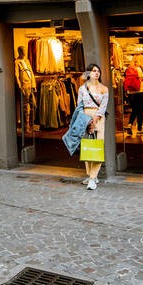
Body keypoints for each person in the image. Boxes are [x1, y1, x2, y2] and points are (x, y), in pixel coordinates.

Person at [63, 63, 109, 191]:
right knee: (87, 147)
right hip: (85, 117)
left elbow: (103, 106)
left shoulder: (104, 89)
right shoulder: (82, 89)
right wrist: (87, 120)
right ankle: (90, 175)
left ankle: (93, 178)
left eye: (98, 71)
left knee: (98, 146)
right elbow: (79, 105)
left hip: (98, 118)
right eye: (94, 71)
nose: (96, 73)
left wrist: (95, 119)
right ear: (88, 73)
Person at [123, 56, 143, 135]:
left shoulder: (127, 69)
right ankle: (139, 130)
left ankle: (129, 125)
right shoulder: (141, 69)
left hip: (131, 93)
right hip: (141, 92)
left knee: (134, 110)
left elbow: (124, 81)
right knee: (140, 111)